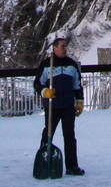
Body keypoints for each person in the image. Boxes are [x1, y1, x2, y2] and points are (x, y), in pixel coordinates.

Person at [33, 35, 85, 175]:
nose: (65, 49)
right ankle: (44, 161)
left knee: (69, 136)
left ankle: (72, 166)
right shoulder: (46, 65)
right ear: (55, 48)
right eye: (62, 46)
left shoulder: (72, 65)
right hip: (52, 105)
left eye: (65, 46)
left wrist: (79, 101)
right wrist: (45, 92)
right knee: (48, 134)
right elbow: (37, 83)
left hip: (68, 105)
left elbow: (77, 85)